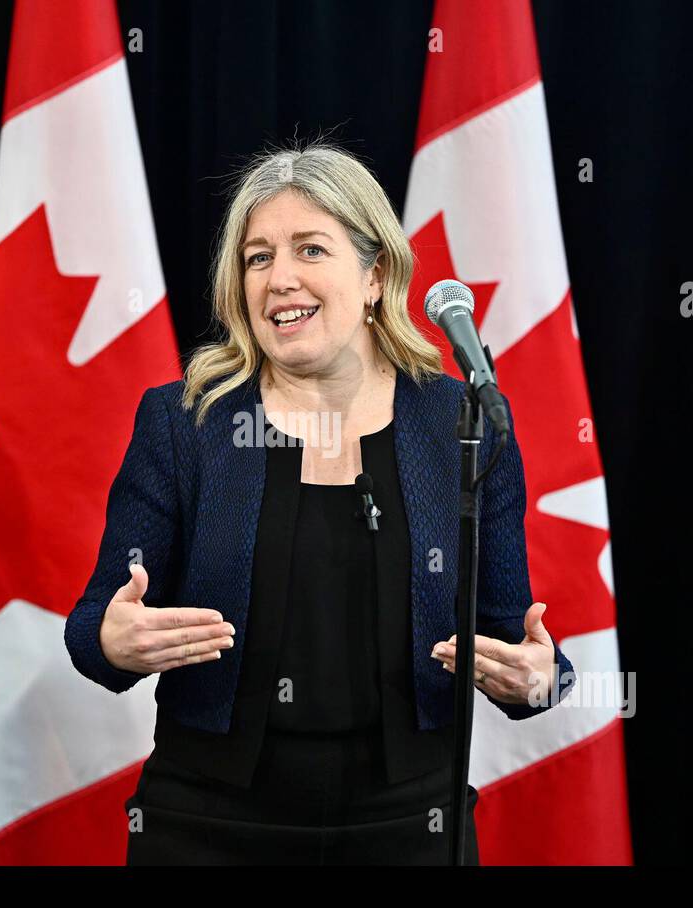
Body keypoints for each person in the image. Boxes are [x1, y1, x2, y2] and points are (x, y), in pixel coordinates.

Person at [63, 141, 576, 865]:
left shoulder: (459, 424)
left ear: (375, 277)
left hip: (408, 825)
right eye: (258, 257)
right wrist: (115, 642)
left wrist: (538, 680)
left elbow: (515, 638)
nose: (280, 279)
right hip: (210, 825)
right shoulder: (186, 424)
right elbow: (92, 632)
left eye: (310, 249)